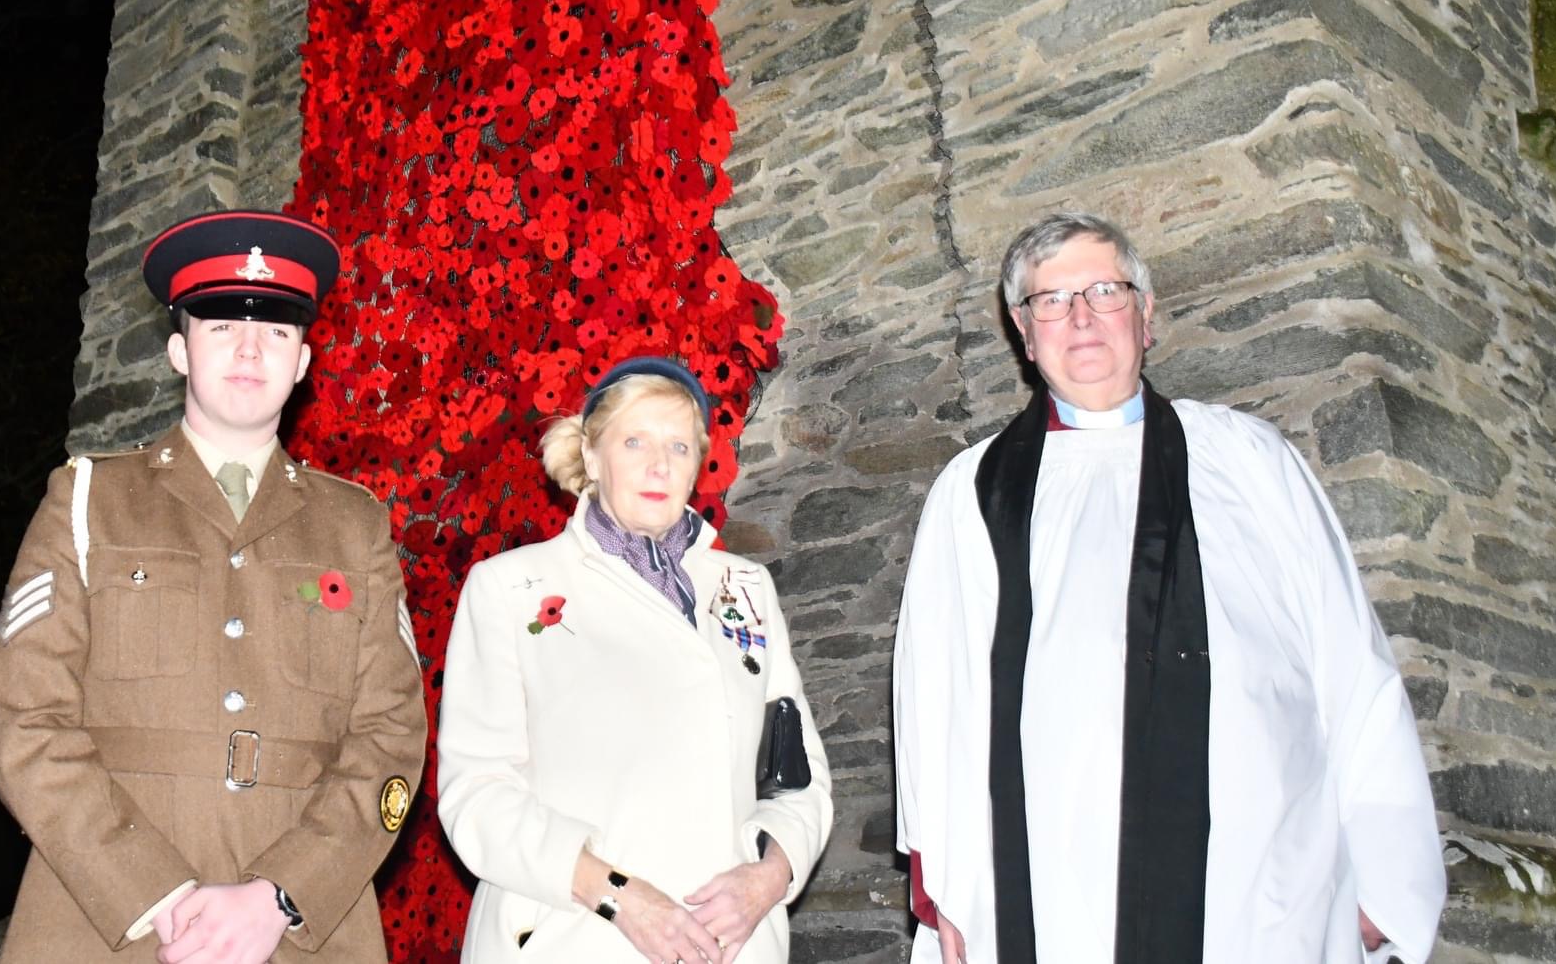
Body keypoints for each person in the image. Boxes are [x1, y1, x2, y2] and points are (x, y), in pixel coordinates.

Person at [891, 212, 1445, 964]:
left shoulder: (1249, 459)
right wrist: (943, 887)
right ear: (1025, 333)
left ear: (1145, 314)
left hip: (1258, 887)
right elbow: (932, 695)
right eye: (1051, 300)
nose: (1080, 315)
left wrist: (1387, 874)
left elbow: (1350, 661)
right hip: (1047, 890)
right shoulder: (972, 491)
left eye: (1104, 290)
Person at [0, 210, 427, 964]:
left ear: (304, 359)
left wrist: (280, 896)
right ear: (179, 350)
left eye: (277, 331)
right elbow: (24, 723)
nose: (251, 346)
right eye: (222, 326)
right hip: (107, 929)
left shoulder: (356, 528)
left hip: (298, 938)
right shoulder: (88, 502)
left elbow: (391, 740)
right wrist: (158, 894)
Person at [437, 356, 834, 964]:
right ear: (592, 458)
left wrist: (770, 877)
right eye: (634, 441)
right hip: (576, 936)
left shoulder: (746, 587)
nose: (658, 464)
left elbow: (799, 780)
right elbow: (477, 794)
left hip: (728, 941)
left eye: (678, 445)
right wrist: (620, 897)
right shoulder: (511, 588)